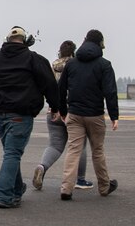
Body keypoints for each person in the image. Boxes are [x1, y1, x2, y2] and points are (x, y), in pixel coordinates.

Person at [0, 26, 58, 208]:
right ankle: (4, 196)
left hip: (0, 115)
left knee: (11, 153)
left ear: (7, 40)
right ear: (25, 41)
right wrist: (56, 107)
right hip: (20, 115)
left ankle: (17, 189)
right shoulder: (33, 59)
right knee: (12, 154)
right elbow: (49, 84)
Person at [56, 29, 120, 200]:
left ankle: (66, 189)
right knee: (97, 151)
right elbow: (110, 92)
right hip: (95, 114)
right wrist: (114, 116)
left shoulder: (71, 64)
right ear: (100, 44)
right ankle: (104, 186)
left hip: (74, 113)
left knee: (73, 150)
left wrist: (63, 111)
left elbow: (61, 89)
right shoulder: (104, 65)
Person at [33, 40, 92, 193]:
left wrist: (54, 108)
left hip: (53, 111)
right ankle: (80, 179)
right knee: (80, 145)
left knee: (54, 145)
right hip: (73, 111)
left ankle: (42, 167)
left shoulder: (51, 66)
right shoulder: (77, 66)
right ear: (74, 52)